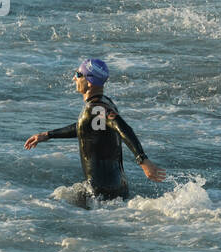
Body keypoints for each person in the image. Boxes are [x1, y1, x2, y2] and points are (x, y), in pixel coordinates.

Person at [23, 58, 166, 204]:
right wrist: (48, 135)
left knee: (43, 205)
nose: (74, 78)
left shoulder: (97, 108)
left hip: (99, 193)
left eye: (78, 75)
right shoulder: (104, 103)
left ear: (90, 82)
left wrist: (142, 160)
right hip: (117, 189)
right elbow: (84, 126)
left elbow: (123, 127)